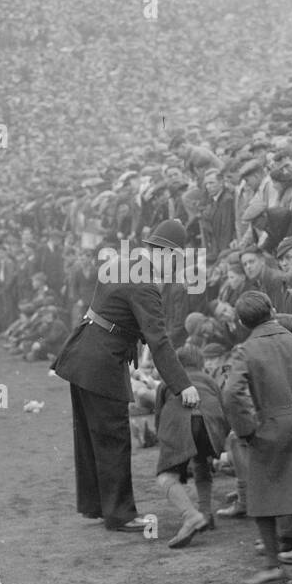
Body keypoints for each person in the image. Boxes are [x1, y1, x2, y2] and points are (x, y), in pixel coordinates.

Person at [51, 220, 198, 532]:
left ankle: (97, 506)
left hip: (83, 355)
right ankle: (120, 514)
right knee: (114, 438)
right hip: (101, 363)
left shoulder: (122, 264)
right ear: (168, 254)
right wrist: (183, 384)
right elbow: (159, 341)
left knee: (92, 437)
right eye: (177, 257)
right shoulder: (145, 283)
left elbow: (115, 315)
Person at [223, 290, 292, 584]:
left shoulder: (246, 350)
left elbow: (232, 393)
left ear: (243, 322)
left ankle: (272, 566)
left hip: (271, 427)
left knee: (261, 497)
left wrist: (247, 429)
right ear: (272, 309)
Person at [154, 343, 229, 549]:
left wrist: (166, 444)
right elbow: (224, 407)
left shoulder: (168, 380)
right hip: (212, 424)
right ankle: (205, 513)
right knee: (201, 462)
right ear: (201, 363)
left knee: (165, 476)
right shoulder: (211, 380)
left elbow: (159, 416)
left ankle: (191, 516)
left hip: (180, 422)